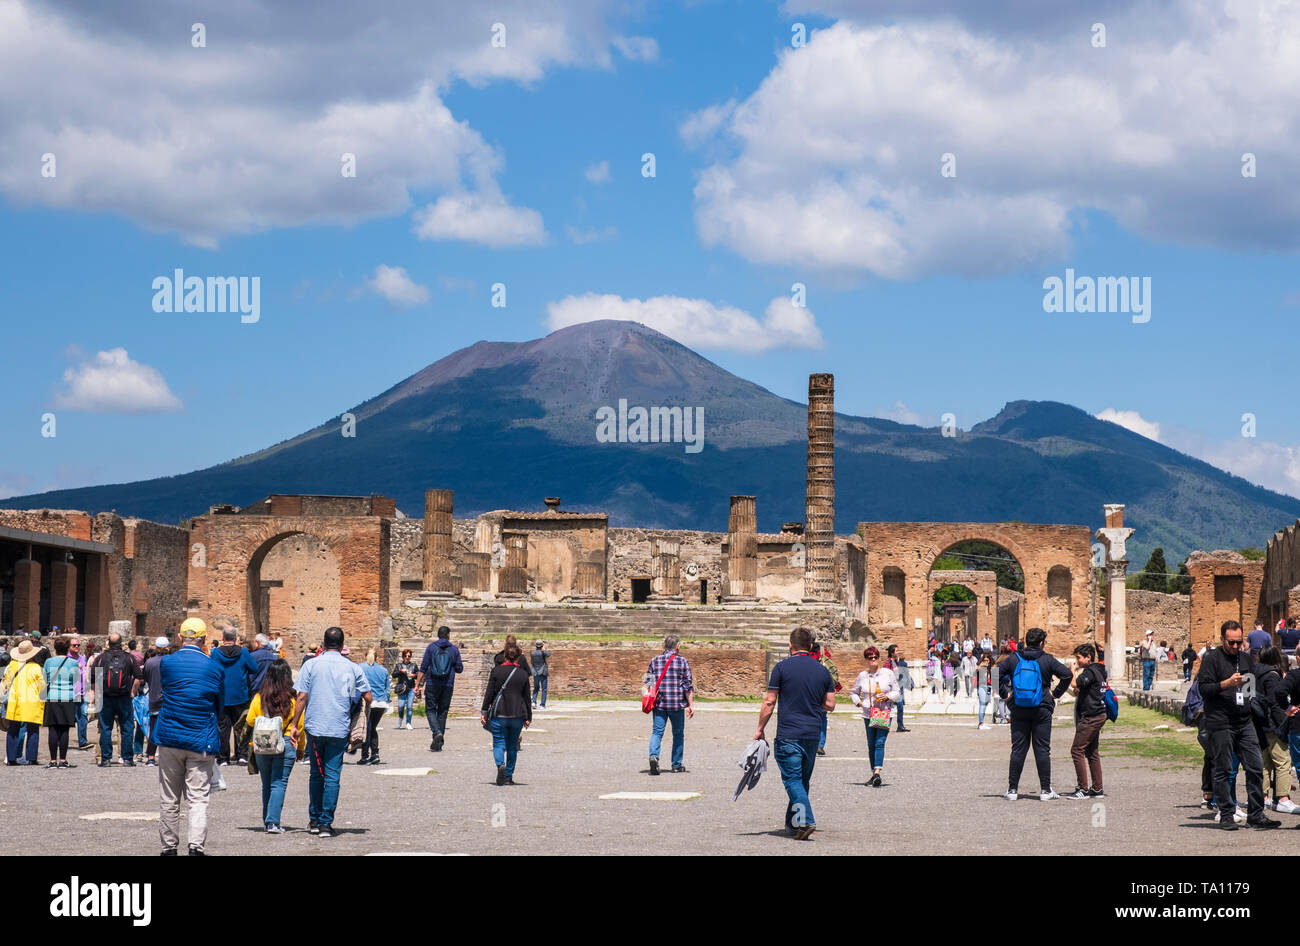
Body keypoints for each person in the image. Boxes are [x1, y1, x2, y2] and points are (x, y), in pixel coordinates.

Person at [289, 627, 371, 839]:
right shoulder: (353, 668)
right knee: (333, 776)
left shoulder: (311, 665)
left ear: (323, 644)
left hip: (315, 728)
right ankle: (326, 824)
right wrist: (362, 711)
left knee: (316, 774)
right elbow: (369, 696)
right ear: (343, 645)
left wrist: (294, 724)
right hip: (339, 728)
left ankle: (314, 820)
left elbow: (301, 697)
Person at [755, 627, 836, 839]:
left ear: (790, 646)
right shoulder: (823, 671)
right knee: (802, 781)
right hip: (812, 735)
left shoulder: (781, 668)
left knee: (792, 780)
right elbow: (830, 704)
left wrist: (760, 729)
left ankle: (807, 820)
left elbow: (770, 701)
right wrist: (812, 703)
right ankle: (795, 825)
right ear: (810, 647)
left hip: (788, 733)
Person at [1197, 620, 1278, 829]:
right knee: (1223, 769)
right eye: (1231, 642)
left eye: (1239, 642)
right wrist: (1226, 684)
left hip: (1244, 721)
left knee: (1255, 767)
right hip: (1220, 722)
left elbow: (1251, 685)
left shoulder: (1245, 658)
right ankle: (1226, 814)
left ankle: (1256, 814)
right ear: (1223, 639)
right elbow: (1204, 689)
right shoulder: (1211, 659)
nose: (1235, 646)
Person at [154, 618, 224, 855]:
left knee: (169, 796)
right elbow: (219, 704)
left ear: (181, 638)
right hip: (200, 737)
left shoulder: (168, 662)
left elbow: (167, 689)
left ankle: (169, 847)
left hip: (170, 736)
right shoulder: (214, 666)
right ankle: (195, 847)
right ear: (204, 640)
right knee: (198, 798)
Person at [997, 627, 1072, 800]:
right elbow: (1067, 674)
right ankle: (1045, 790)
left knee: (1018, 749)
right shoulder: (1047, 660)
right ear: (1041, 643)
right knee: (1042, 749)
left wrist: (1005, 694)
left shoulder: (1013, 659)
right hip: (1042, 708)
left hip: (1018, 707)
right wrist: (1056, 694)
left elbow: (994, 672)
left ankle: (1012, 790)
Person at [245, 660, 303, 833]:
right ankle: (273, 822)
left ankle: (267, 820)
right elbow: (299, 726)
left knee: (266, 783)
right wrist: (301, 748)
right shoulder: (292, 699)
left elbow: (249, 720)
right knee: (279, 783)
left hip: (263, 742)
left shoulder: (259, 697)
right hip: (286, 742)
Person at [480, 642, 533, 785]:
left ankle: (500, 765)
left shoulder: (496, 672)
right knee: (512, 746)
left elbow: (489, 694)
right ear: (518, 657)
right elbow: (527, 698)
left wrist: (484, 711)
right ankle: (508, 776)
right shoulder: (523, 674)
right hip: (517, 715)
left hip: (500, 714)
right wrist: (528, 717)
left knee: (498, 743)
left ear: (504, 656)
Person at [1253, 646, 1297, 813]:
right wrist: (1283, 724)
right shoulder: (1272, 676)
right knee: (1282, 761)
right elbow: (1275, 703)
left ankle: (1263, 797)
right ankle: (1283, 798)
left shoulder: (1253, 672)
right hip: (1271, 724)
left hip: (1259, 723)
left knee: (1264, 763)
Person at [849, 646, 899, 787]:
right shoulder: (862, 676)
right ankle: (874, 775)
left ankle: (877, 772)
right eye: (870, 658)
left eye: (875, 657)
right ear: (866, 660)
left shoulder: (888, 674)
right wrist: (858, 703)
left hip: (884, 713)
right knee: (871, 744)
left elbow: (897, 692)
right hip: (868, 714)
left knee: (879, 742)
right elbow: (853, 692)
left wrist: (888, 696)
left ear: (879, 658)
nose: (873, 660)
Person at [91, 630, 142, 767]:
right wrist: (132, 691)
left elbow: (93, 679)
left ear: (108, 643)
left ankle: (106, 759)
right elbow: (138, 677)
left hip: (106, 698)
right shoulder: (129, 658)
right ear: (121, 643)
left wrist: (98, 694)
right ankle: (127, 758)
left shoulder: (100, 658)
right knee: (126, 727)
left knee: (106, 728)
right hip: (124, 697)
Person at [644, 635, 694, 775]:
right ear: (677, 646)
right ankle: (676, 765)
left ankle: (654, 756)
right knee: (678, 734)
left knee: (657, 732)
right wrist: (691, 704)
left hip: (660, 704)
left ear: (664, 646)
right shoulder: (683, 661)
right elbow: (687, 686)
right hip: (677, 705)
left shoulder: (654, 661)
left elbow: (648, 683)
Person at [209, 626, 259, 765]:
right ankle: (241, 755)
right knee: (241, 726)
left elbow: (210, 670)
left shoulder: (215, 653)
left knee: (223, 728)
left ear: (223, 638)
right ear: (235, 638)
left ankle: (223, 757)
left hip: (222, 696)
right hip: (240, 695)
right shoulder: (243, 652)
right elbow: (254, 668)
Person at [1065, 643, 1107, 799]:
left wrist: (1072, 671)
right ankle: (1097, 788)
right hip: (1099, 713)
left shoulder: (1090, 671)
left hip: (1091, 716)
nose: (1076, 660)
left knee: (1077, 750)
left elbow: (1075, 683)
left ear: (1088, 657)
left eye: (1078, 658)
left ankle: (1082, 789)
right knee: (1092, 751)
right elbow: (1086, 688)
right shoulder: (1100, 670)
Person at [415, 626, 463, 752]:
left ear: (438, 635)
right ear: (448, 635)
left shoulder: (431, 647)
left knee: (430, 709)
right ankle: (438, 743)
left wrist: (417, 685)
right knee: (443, 712)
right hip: (448, 685)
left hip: (432, 683)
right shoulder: (454, 649)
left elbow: (423, 667)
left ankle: (436, 733)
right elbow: (459, 669)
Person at [4, 638, 45, 765]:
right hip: (32, 702)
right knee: (33, 730)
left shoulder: (12, 666)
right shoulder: (36, 667)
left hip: (15, 701)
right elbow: (42, 686)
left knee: (13, 730)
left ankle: (11, 758)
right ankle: (31, 758)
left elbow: (6, 683)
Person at [41, 636, 80, 768]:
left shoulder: (48, 662)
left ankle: (52, 760)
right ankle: (63, 760)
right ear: (68, 648)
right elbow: (75, 680)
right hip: (67, 697)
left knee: (52, 728)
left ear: (55, 648)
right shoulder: (73, 663)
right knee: (64, 729)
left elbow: (44, 678)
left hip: (52, 697)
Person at [140, 636, 171, 767]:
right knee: (169, 729)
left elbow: (145, 679)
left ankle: (151, 757)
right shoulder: (172, 661)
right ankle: (168, 757)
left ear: (156, 647)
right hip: (169, 701)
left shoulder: (150, 662)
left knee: (153, 729)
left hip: (153, 699)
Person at [359, 648, 391, 766]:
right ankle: (375, 754)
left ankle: (365, 756)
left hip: (368, 702)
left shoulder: (360, 668)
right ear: (376, 657)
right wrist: (386, 698)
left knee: (367, 729)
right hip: (381, 703)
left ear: (365, 655)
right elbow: (387, 688)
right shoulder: (383, 670)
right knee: (372, 728)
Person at [810, 640, 841, 755]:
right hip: (823, 687)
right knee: (822, 716)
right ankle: (820, 745)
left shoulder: (805, 652)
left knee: (809, 714)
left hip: (809, 688)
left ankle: (812, 743)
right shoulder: (823, 651)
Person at [884, 645, 912, 733]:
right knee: (888, 708)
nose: (898, 652)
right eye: (896, 651)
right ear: (892, 653)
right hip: (890, 688)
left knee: (900, 706)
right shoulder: (887, 663)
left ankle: (900, 726)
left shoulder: (896, 661)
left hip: (897, 687)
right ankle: (885, 725)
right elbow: (885, 676)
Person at [392, 649, 418, 730]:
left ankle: (408, 723)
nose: (407, 657)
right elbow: (393, 675)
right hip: (401, 688)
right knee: (401, 706)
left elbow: (418, 674)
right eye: (406, 656)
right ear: (403, 656)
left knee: (410, 707)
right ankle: (400, 718)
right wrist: (400, 671)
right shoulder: (399, 665)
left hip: (411, 688)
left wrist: (413, 675)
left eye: (409, 656)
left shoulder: (414, 665)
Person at [975, 651, 993, 729]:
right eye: (984, 660)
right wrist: (981, 665)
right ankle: (980, 723)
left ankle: (982, 722)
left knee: (985, 704)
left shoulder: (991, 667)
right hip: (982, 686)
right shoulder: (980, 666)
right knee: (982, 704)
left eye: (987, 661)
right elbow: (976, 670)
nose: (986, 662)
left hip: (989, 687)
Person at [531, 639, 551, 709]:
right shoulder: (543, 652)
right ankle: (542, 704)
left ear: (536, 645)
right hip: (542, 672)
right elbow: (548, 654)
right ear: (542, 645)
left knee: (536, 688)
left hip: (535, 672)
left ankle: (534, 701)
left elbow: (532, 662)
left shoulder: (532, 653)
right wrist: (544, 649)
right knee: (544, 689)